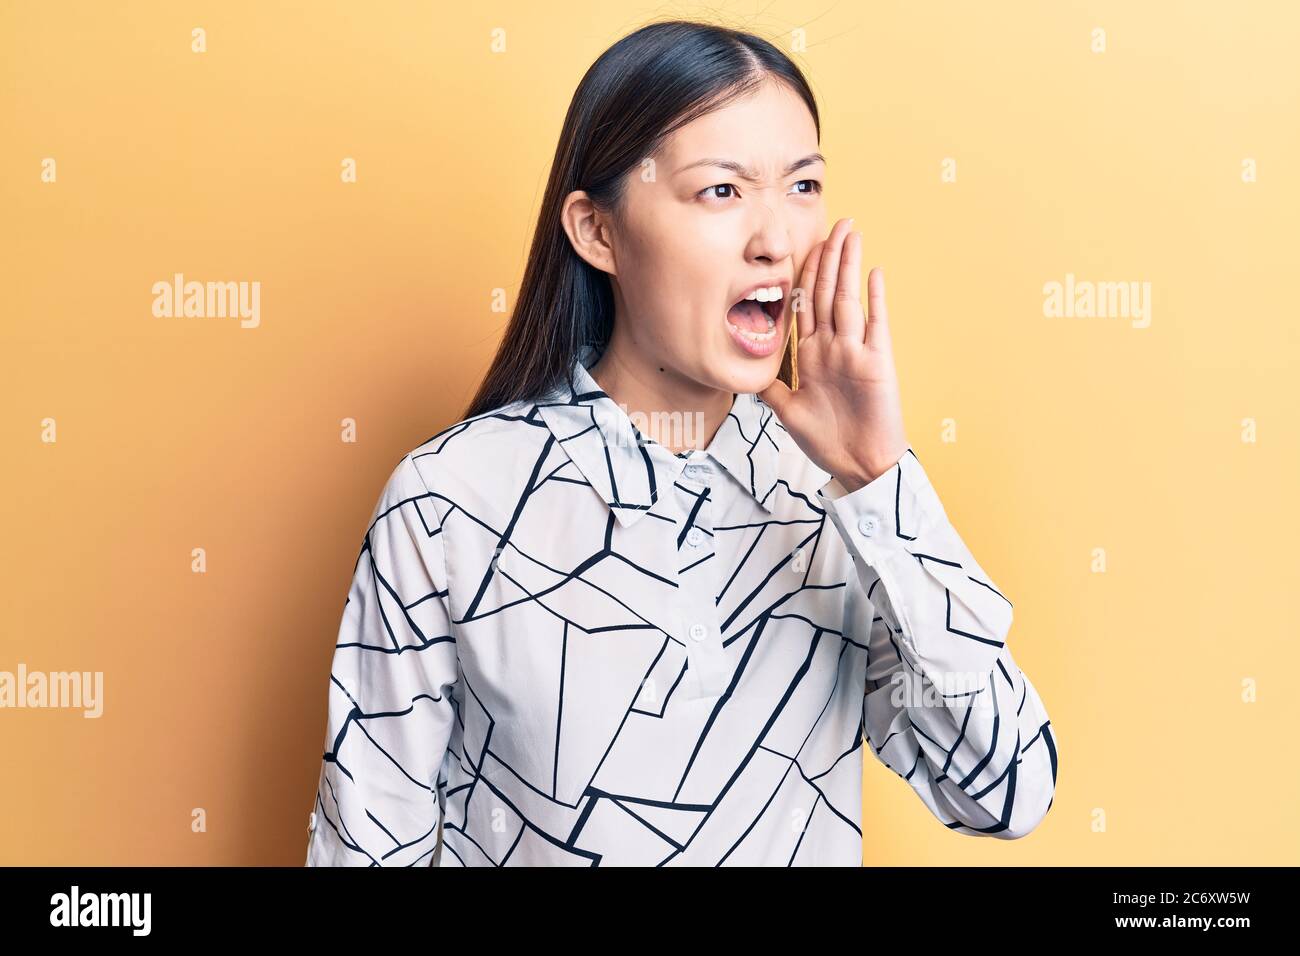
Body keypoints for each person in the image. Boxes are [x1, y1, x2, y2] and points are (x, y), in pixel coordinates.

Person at [305, 18, 1058, 867]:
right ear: (597, 232)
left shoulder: (839, 500)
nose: (777, 239)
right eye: (722, 192)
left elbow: (1007, 791)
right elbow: (368, 848)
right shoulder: (452, 505)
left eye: (803, 186)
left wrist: (878, 480)